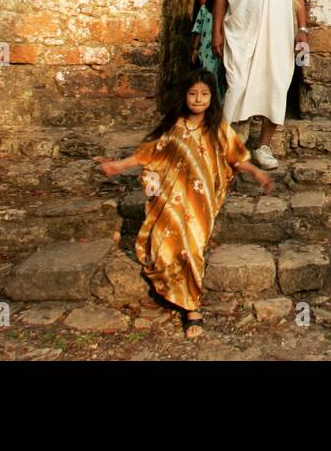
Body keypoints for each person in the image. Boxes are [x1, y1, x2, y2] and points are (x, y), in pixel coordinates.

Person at [95, 68, 273, 338]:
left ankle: (192, 308)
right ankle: (172, 291)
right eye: (193, 93)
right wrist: (117, 166)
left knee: (192, 249)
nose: (198, 99)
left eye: (204, 94)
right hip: (170, 200)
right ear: (184, 96)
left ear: (213, 97)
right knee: (163, 244)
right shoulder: (173, 127)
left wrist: (256, 173)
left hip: (199, 205)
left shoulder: (218, 130)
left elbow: (236, 157)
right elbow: (147, 155)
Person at [211, 0, 309, 171]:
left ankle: (263, 147)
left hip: (279, 37)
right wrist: (216, 32)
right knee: (237, 85)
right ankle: (227, 145)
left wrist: (303, 32)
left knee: (276, 87)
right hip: (241, 35)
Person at [190, 0, 226, 101]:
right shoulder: (204, 9)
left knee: (221, 78)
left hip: (222, 51)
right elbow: (197, 30)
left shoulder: (229, 11)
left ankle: (219, 105)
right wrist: (194, 49)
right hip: (205, 51)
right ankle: (206, 103)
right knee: (207, 76)